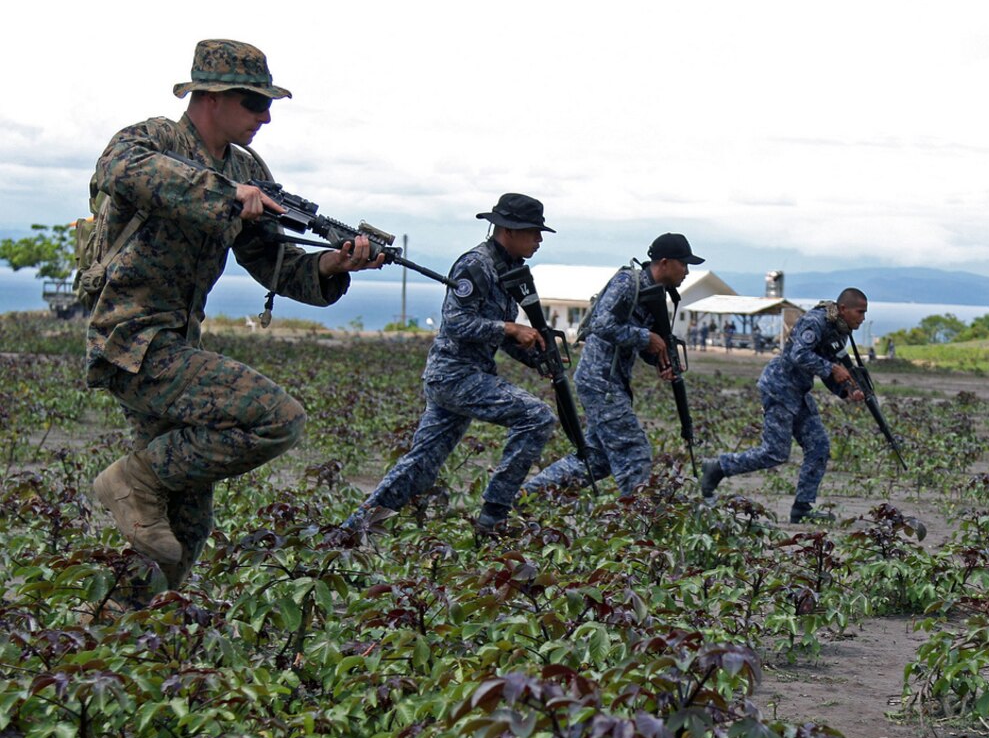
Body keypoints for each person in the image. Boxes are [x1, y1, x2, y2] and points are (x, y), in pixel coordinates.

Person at [88, 39, 383, 590]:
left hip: (179, 346)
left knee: (185, 525)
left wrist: (332, 263)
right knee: (277, 417)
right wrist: (226, 192)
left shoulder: (247, 168)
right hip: (130, 342)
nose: (265, 117)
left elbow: (275, 265)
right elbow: (118, 167)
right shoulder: (154, 139)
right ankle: (132, 479)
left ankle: (127, 629)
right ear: (211, 98)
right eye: (253, 103)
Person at [343, 194, 558, 531]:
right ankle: (494, 514)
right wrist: (510, 327)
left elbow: (499, 335)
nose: (539, 239)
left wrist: (536, 355)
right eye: (533, 231)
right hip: (455, 376)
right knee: (537, 417)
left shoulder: (508, 269)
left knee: (421, 466)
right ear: (508, 230)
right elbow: (456, 323)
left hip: (464, 376)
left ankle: (356, 529)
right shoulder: (476, 265)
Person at [522, 233, 704, 498]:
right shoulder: (628, 282)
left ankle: (527, 497)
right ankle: (637, 518)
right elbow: (601, 324)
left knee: (597, 459)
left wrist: (659, 359)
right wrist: (646, 338)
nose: (687, 271)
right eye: (683, 264)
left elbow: (644, 344)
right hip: (599, 380)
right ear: (664, 262)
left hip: (610, 382)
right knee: (634, 451)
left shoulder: (654, 294)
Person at [699, 289, 869, 523]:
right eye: (859, 312)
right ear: (843, 309)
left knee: (819, 447)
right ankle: (717, 467)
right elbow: (799, 355)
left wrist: (847, 390)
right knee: (775, 453)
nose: (862, 318)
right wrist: (832, 369)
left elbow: (828, 367)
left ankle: (803, 507)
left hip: (798, 391)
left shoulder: (837, 329)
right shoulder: (815, 321)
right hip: (779, 387)